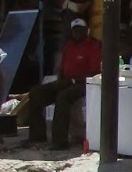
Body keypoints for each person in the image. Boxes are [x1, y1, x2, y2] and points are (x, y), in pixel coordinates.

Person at [23, 17, 101, 149]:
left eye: (80, 30)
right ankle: (37, 136)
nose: (77, 33)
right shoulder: (69, 46)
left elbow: (95, 73)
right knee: (36, 93)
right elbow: (63, 69)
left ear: (86, 31)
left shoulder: (93, 46)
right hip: (66, 81)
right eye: (74, 30)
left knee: (63, 97)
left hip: (84, 83)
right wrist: (60, 82)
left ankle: (59, 142)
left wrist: (74, 80)